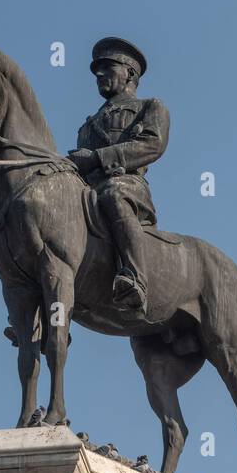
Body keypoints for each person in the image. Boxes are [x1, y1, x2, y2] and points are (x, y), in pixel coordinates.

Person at [69, 37, 169, 315]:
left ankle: (135, 278)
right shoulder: (86, 126)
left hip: (128, 188)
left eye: (107, 67)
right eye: (96, 69)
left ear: (130, 73)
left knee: (113, 193)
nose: (99, 74)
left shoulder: (150, 108)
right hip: (88, 193)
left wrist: (99, 158)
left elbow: (152, 145)